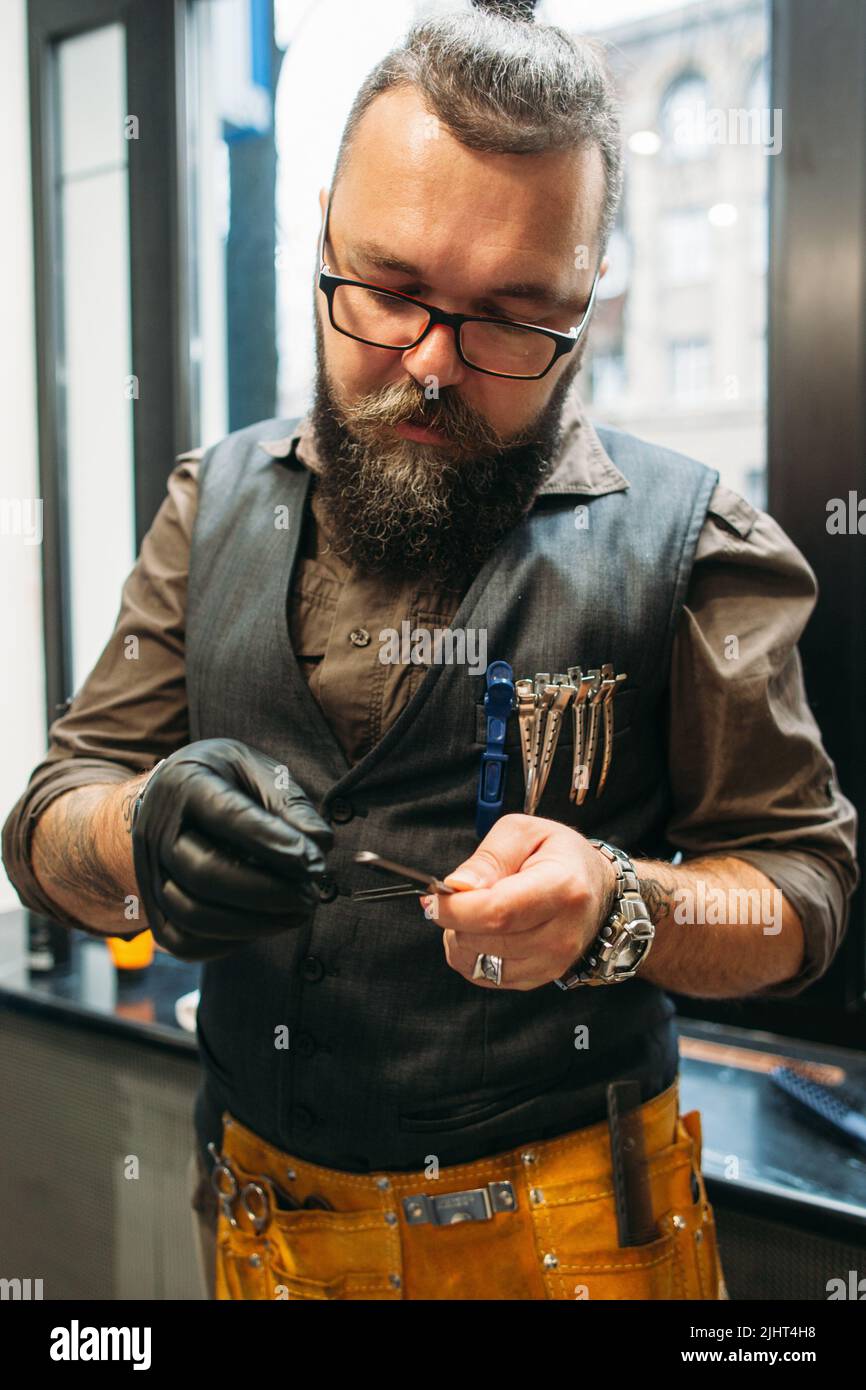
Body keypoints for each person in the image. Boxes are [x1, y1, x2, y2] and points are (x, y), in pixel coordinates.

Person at [2, 7, 858, 1301]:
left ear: (587, 300)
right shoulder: (212, 500)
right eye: (388, 290)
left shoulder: (694, 542)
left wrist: (623, 904)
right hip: (260, 1219)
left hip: (577, 1237)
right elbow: (49, 828)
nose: (433, 365)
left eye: (515, 318)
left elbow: (801, 895)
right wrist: (136, 832)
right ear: (322, 248)